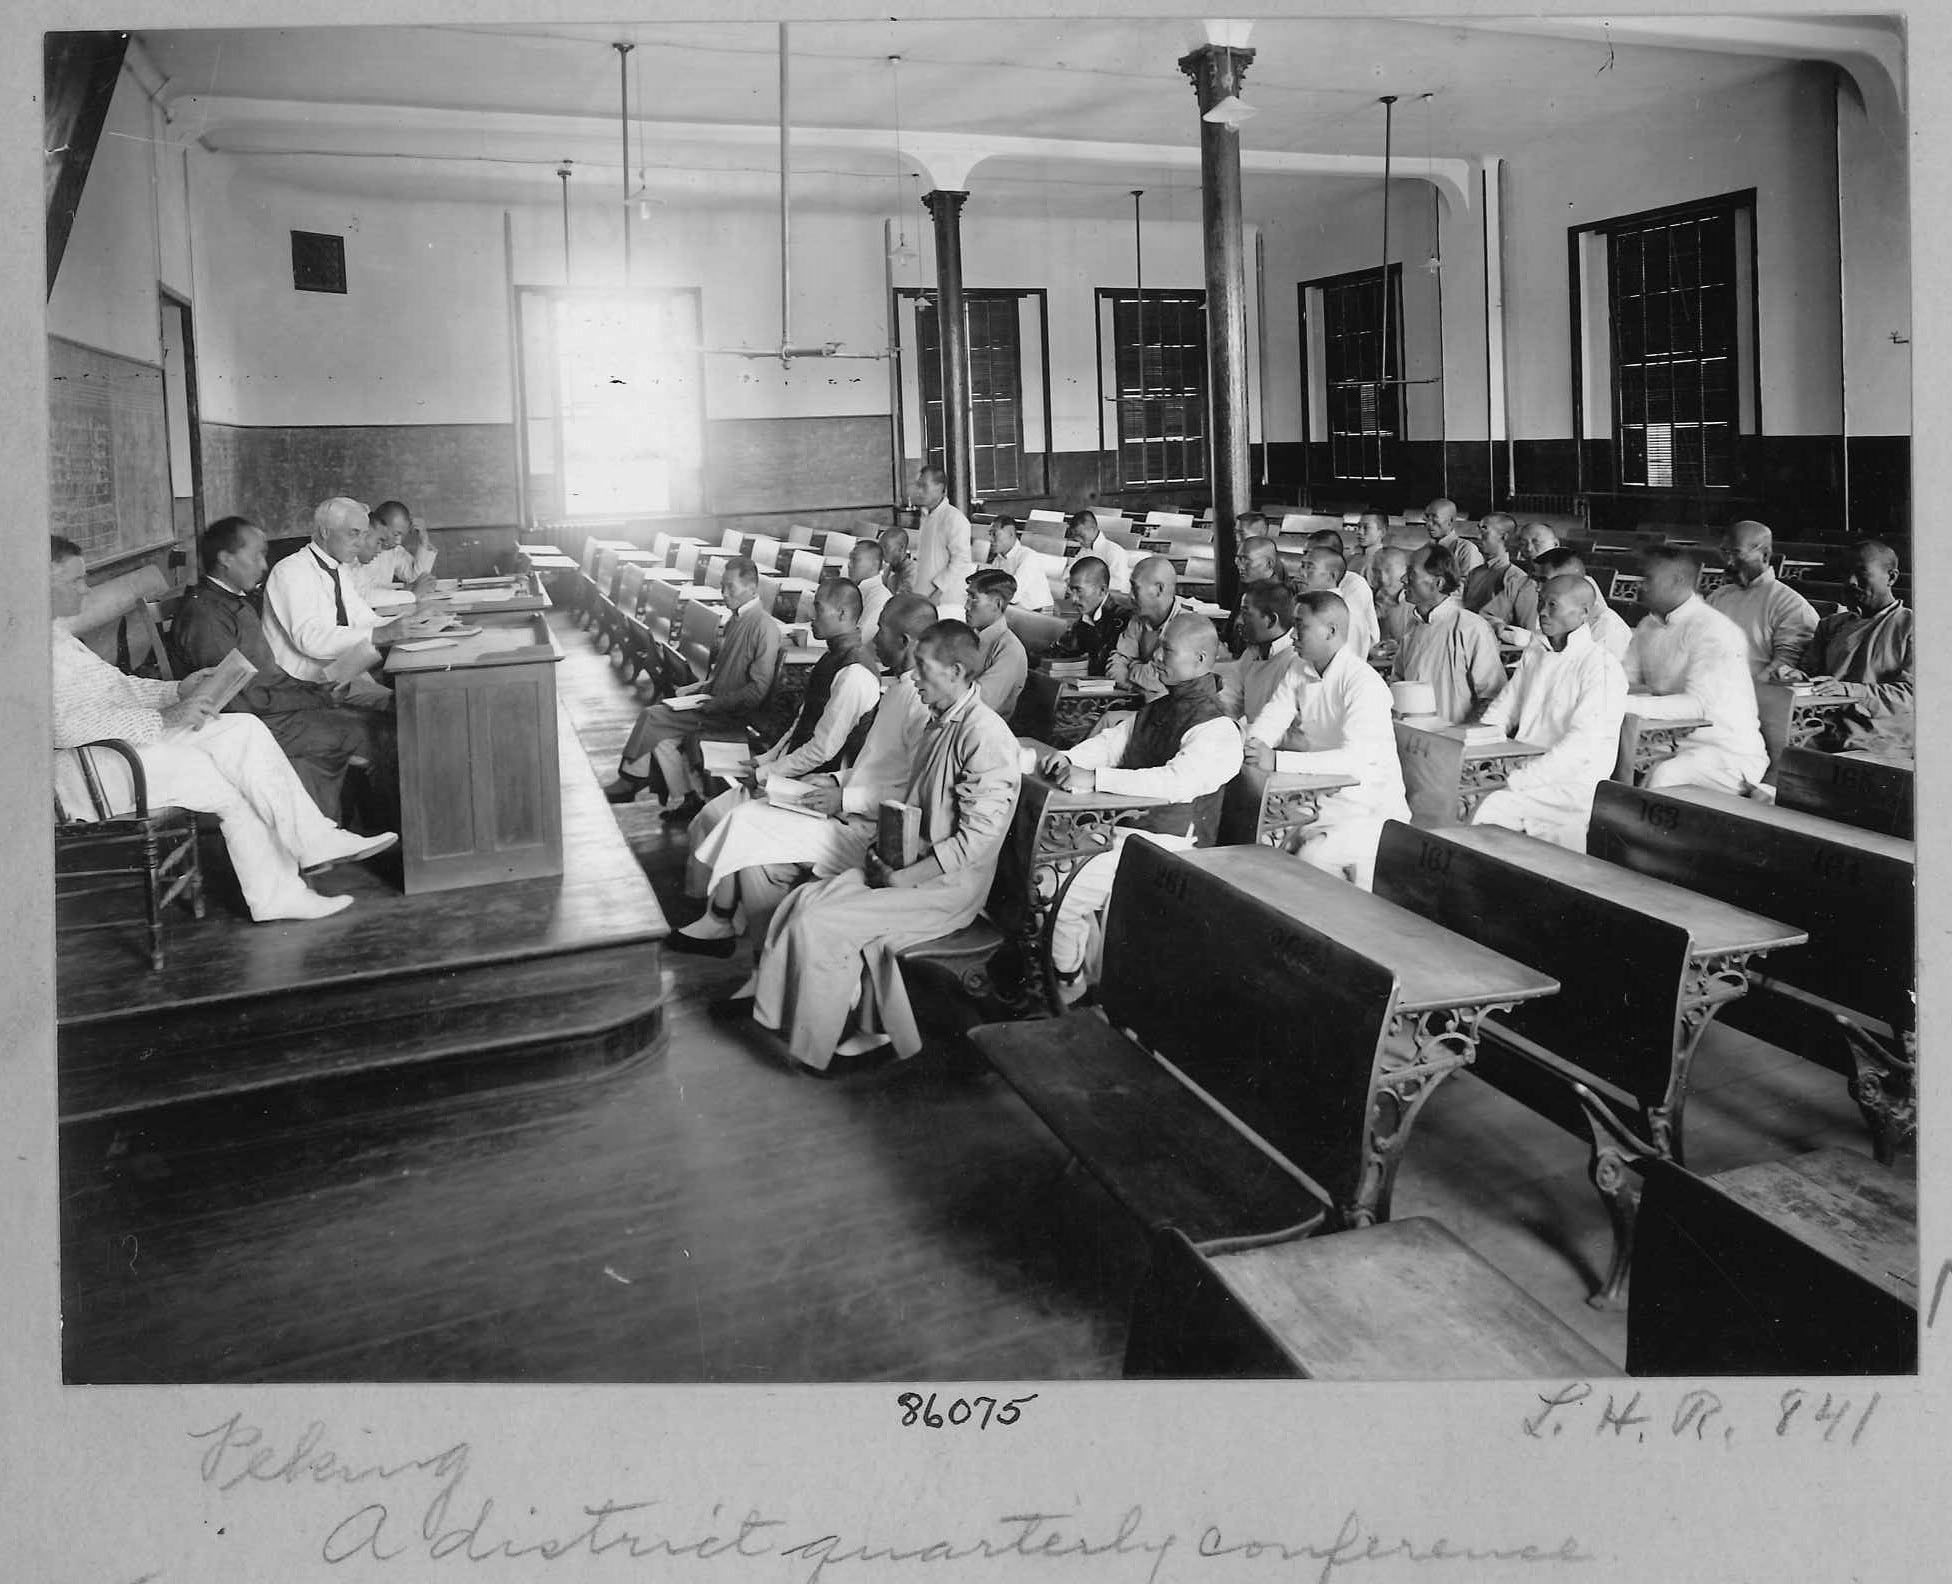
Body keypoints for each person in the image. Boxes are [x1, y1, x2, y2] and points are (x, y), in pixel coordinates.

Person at [50, 536, 395, 923]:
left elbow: (122, 688)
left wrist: (179, 690)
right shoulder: (22, 647)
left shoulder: (54, 636)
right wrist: (165, 718)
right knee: (239, 740)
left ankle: (283, 889)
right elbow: (59, 727)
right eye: (75, 580)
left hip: (116, 752)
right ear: (38, 581)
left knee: (239, 772)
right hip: (87, 774)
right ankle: (306, 849)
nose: (86, 589)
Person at [749, 619, 1021, 1070]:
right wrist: (885, 857)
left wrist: (903, 876)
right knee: (804, 901)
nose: (912, 677)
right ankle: (800, 1018)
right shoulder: (943, 722)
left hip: (945, 888)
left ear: (955, 671)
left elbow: (976, 842)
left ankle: (819, 1046)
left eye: (922, 667)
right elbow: (914, 807)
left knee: (822, 923)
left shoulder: (985, 736)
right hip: (910, 868)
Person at [678, 595, 939, 957]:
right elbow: (870, 763)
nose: (873, 637)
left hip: (872, 830)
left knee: (747, 823)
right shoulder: (897, 688)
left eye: (881, 629)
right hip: (848, 806)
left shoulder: (919, 701)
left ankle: (726, 923)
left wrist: (842, 795)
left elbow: (910, 789)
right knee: (754, 852)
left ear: (905, 642)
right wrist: (836, 783)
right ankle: (758, 957)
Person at [1041, 614, 1245, 1003]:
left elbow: (1173, 783)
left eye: (1167, 649)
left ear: (1201, 660)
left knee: (1060, 890)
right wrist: (1069, 758)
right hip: (1125, 829)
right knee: (1048, 866)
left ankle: (1067, 986)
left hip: (1170, 844)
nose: (1155, 656)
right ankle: (1077, 979)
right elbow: (1113, 743)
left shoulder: (1218, 730)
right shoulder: (1161, 706)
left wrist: (1095, 778)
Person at [170, 516, 395, 824]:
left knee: (380, 719)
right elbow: (234, 701)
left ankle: (355, 833)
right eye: (256, 556)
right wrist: (315, 698)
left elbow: (267, 676)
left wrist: (316, 691)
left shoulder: (231, 601)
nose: (264, 566)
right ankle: (387, 847)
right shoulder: (206, 616)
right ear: (225, 559)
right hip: (258, 724)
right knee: (378, 732)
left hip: (276, 710)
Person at [1244, 590, 1409, 889]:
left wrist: (1276, 759)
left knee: (1312, 859)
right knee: (1264, 845)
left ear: (1331, 631)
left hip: (1369, 807)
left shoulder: (1363, 683)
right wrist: (1252, 744)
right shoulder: (1300, 667)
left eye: (1301, 626)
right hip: (1320, 797)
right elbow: (1273, 717)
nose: (1292, 634)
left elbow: (1353, 762)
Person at [606, 556, 781, 818]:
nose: (723, 593)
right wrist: (700, 688)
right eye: (722, 586)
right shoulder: (735, 620)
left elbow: (757, 690)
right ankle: (687, 797)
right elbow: (724, 673)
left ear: (753, 588)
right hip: (713, 702)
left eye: (730, 588)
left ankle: (632, 777)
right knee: (661, 737)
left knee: (652, 716)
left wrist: (715, 702)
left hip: (728, 713)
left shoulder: (764, 627)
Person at [1470, 575, 1629, 849]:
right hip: (1527, 769)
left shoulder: (1600, 666)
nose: (1542, 611)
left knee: (1491, 803)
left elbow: (1581, 748)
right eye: (1542, 602)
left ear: (1584, 612)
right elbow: (1503, 709)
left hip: (1571, 784)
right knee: (1463, 789)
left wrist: (1518, 779)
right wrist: (1473, 750)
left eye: (1553, 605)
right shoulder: (1536, 651)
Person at [1622, 545, 1768, 793]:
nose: (1640, 586)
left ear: (1677, 580)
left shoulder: (1714, 630)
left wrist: (1620, 703)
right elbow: (1624, 679)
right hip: (1666, 742)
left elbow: (1698, 706)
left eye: (1648, 579)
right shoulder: (1648, 625)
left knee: (1665, 775)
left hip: (1724, 752)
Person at [1776, 540, 1914, 757]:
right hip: (1823, 729)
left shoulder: (1911, 626)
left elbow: (1913, 695)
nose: (1850, 581)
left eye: (1861, 573)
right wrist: (1796, 677)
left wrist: (1849, 690)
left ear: (1892, 577)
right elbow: (1810, 675)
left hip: (1879, 735)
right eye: (1846, 573)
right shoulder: (1831, 625)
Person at [262, 496, 403, 684]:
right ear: (325, 532)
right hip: (301, 686)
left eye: (363, 534)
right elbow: (310, 639)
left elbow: (366, 619)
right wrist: (380, 634)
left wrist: (411, 624)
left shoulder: (338, 569)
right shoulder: (290, 571)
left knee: (399, 701)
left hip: (340, 676)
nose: (360, 543)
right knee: (401, 707)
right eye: (354, 533)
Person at [1393, 544, 1507, 724]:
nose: (1403, 579)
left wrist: (1462, 735)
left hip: (1455, 741)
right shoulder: (1413, 625)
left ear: (1438, 583)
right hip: (1415, 739)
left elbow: (1492, 697)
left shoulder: (1471, 627)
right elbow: (1398, 683)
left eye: (1411, 574)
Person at [1705, 519, 1818, 678]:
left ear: (1765, 556)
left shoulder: (1791, 605)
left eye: (1736, 553)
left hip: (1757, 693)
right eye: (1724, 552)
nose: (1728, 562)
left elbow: (1785, 665)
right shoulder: (1718, 596)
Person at [1518, 547, 1632, 662]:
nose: (1537, 588)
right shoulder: (1551, 609)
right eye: (1535, 579)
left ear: (1573, 580)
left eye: (1544, 580)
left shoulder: (1608, 629)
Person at [1108, 554, 1197, 701]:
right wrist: (1139, 688)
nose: (1130, 596)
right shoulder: (1138, 620)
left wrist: (1134, 665)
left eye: (1135, 588)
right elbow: (1115, 666)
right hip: (1144, 704)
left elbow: (1162, 680)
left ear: (1159, 589)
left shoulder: (1187, 627)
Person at [1215, 580, 1297, 724]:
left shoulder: (1296, 661)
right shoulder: (1252, 652)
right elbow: (1231, 699)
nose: (1238, 621)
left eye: (1246, 613)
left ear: (1271, 620)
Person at [963, 567, 1030, 717]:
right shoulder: (966, 637)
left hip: (983, 730)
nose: (966, 606)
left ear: (997, 604)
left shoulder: (1010, 650)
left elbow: (979, 705)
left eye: (974, 598)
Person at [1298, 545, 1378, 669]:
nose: (1302, 573)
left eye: (1310, 567)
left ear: (1332, 576)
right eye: (1302, 566)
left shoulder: (1346, 613)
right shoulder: (1310, 605)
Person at [1049, 556, 1132, 675]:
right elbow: (1064, 649)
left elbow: (1104, 668)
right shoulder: (1087, 615)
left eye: (1079, 591)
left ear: (1102, 590)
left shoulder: (1122, 622)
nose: (1073, 599)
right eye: (1072, 590)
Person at [908, 464, 973, 609]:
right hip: (924, 595)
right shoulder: (926, 516)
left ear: (939, 487)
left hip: (944, 600)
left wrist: (938, 593)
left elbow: (961, 561)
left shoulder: (954, 519)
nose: (919, 491)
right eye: (918, 486)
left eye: (924, 486)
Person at [353, 499, 438, 599]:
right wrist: (409, 594)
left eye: (402, 536)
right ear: (381, 525)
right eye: (396, 534)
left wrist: (424, 540)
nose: (399, 541)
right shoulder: (356, 552)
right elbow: (364, 596)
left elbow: (418, 579)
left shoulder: (394, 551)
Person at [1463, 513, 1536, 629]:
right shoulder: (1474, 573)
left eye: (1485, 531)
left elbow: (1526, 631)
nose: (1478, 537)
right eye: (1479, 530)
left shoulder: (1517, 579)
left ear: (1504, 537)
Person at [984, 517, 1055, 612]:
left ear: (1011, 534)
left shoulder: (1028, 557)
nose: (990, 539)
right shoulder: (998, 558)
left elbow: (1013, 595)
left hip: (1039, 613)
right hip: (1016, 610)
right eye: (989, 534)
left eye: (994, 534)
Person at [1065, 510, 1132, 595]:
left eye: (1081, 536)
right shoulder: (1084, 550)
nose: (1078, 540)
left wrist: (1086, 584)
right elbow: (1070, 570)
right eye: (1075, 536)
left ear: (1093, 529)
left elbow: (1120, 585)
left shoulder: (1114, 551)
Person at [1368, 545, 1414, 662]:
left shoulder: (1416, 603)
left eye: (1389, 570)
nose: (1382, 578)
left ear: (1405, 570)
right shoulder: (1369, 599)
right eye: (1377, 571)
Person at [1421, 497, 1484, 578]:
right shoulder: (1426, 549)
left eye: (1434, 517)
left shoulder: (1466, 550)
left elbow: (1469, 585)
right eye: (1427, 517)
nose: (1428, 523)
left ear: (1450, 521)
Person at [848, 539, 892, 645]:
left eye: (855, 560)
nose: (849, 565)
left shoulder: (881, 599)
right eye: (850, 559)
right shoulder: (857, 590)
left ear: (874, 565)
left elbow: (860, 640)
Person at [1347, 512, 1389, 580]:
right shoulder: (1350, 559)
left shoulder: (1386, 562)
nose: (1359, 532)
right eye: (1359, 527)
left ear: (1382, 532)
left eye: (1366, 528)